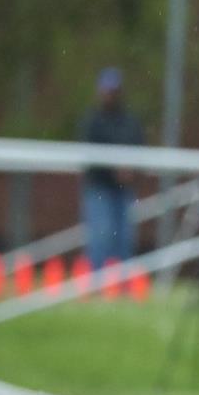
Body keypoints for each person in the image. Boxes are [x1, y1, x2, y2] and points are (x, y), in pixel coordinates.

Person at [79, 68, 144, 268]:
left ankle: (123, 288)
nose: (110, 95)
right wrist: (113, 170)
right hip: (99, 189)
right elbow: (89, 157)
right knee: (100, 237)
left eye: (113, 91)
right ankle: (97, 285)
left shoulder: (129, 121)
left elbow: (139, 148)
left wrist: (130, 171)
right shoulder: (93, 121)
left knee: (124, 238)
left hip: (123, 191)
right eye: (107, 90)